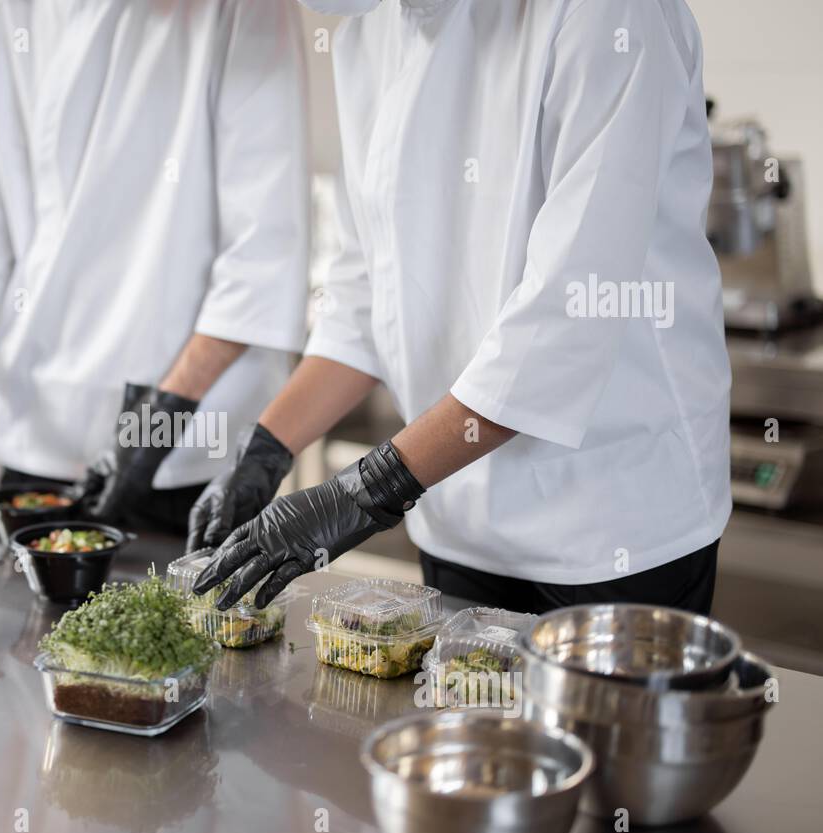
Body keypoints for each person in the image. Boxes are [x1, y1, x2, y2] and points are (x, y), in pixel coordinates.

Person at [194, 0, 731, 616]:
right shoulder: (368, 32)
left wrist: (368, 491)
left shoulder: (608, 15)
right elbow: (364, 296)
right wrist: (265, 449)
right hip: (449, 500)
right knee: (465, 711)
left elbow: (568, 316)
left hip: (611, 519)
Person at [0, 0, 310, 534]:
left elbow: (262, 240)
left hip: (189, 445)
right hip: (38, 425)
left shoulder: (245, 8)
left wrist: (162, 415)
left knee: (186, 615)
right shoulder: (3, 11)